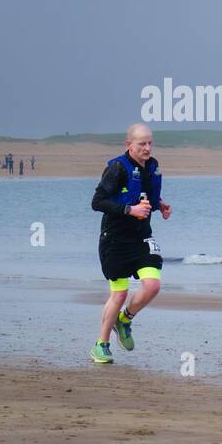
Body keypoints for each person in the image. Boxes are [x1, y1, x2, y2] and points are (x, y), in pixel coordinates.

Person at [89, 124, 171, 363]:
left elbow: (145, 197)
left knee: (153, 286)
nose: (147, 148)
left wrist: (161, 204)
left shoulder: (152, 166)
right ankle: (100, 345)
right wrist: (129, 210)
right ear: (129, 145)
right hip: (115, 238)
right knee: (120, 293)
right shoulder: (117, 167)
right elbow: (97, 202)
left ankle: (124, 320)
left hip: (142, 237)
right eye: (141, 144)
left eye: (149, 143)